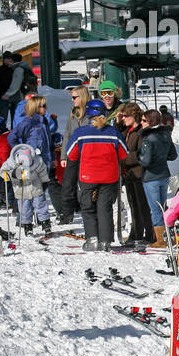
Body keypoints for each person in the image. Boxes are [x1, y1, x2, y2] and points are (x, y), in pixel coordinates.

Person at [68, 98, 127, 251]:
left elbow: (71, 155)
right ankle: (106, 241)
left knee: (87, 207)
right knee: (105, 207)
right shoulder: (113, 133)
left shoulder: (80, 133)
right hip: (109, 176)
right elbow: (124, 154)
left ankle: (92, 239)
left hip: (88, 176)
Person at [136, 109, 176, 249]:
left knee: (155, 209)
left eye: (143, 120)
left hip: (151, 176)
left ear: (151, 121)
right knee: (164, 206)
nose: (141, 123)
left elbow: (145, 161)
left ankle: (160, 239)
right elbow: (173, 155)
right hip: (164, 174)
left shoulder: (148, 138)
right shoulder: (166, 135)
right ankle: (169, 235)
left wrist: (138, 156)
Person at [116, 103, 154, 247]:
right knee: (133, 205)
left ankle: (150, 234)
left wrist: (123, 157)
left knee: (143, 205)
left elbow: (140, 154)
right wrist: (118, 122)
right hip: (129, 174)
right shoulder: (128, 130)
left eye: (126, 116)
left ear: (134, 116)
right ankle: (136, 232)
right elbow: (117, 136)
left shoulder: (140, 131)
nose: (124, 118)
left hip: (139, 173)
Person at [58, 86, 92, 224]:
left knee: (85, 185)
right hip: (73, 153)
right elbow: (67, 134)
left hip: (87, 155)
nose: (72, 100)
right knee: (68, 184)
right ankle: (67, 213)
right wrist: (63, 155)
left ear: (82, 97)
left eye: (74, 97)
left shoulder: (91, 113)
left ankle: (86, 210)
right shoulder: (73, 112)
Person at [5, 143, 51, 234]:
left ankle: (46, 224)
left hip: (36, 188)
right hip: (21, 190)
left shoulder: (38, 160)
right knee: (24, 209)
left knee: (41, 206)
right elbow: (3, 172)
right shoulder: (11, 162)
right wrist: (11, 174)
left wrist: (45, 181)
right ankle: (27, 226)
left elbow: (43, 171)